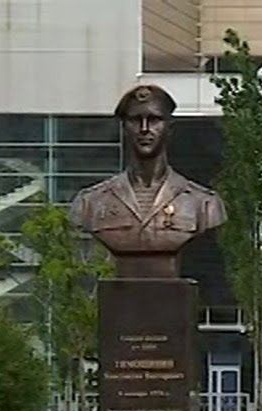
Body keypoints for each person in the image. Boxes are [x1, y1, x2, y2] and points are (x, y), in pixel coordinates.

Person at [69, 84, 226, 278]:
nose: (144, 129)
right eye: (135, 120)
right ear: (124, 128)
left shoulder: (203, 204)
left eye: (154, 120)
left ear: (169, 128)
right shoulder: (90, 203)